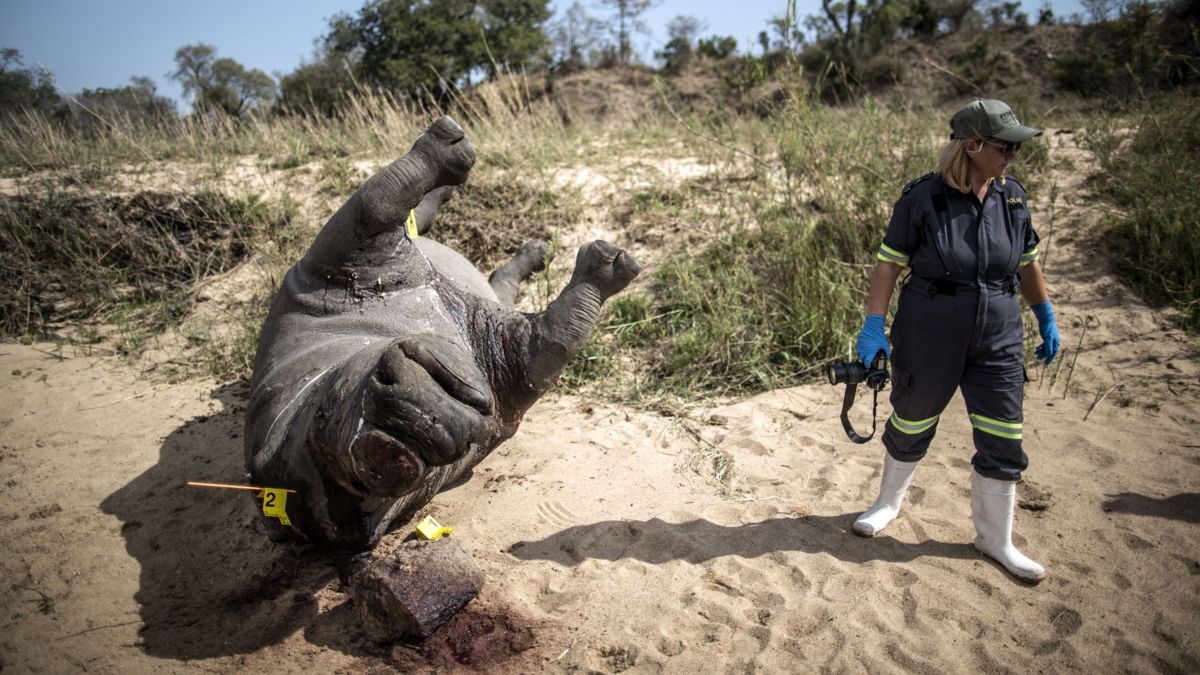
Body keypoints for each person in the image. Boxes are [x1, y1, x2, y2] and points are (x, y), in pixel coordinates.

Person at [851, 98, 1061, 583]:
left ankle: (996, 540)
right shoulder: (922, 198)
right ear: (973, 145)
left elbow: (1027, 262)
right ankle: (887, 504)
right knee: (912, 418)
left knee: (1004, 434)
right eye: (1006, 147)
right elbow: (889, 263)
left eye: (1016, 147)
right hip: (930, 329)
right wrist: (873, 326)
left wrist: (1045, 315)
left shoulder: (1013, 198)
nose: (1013, 155)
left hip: (999, 334)